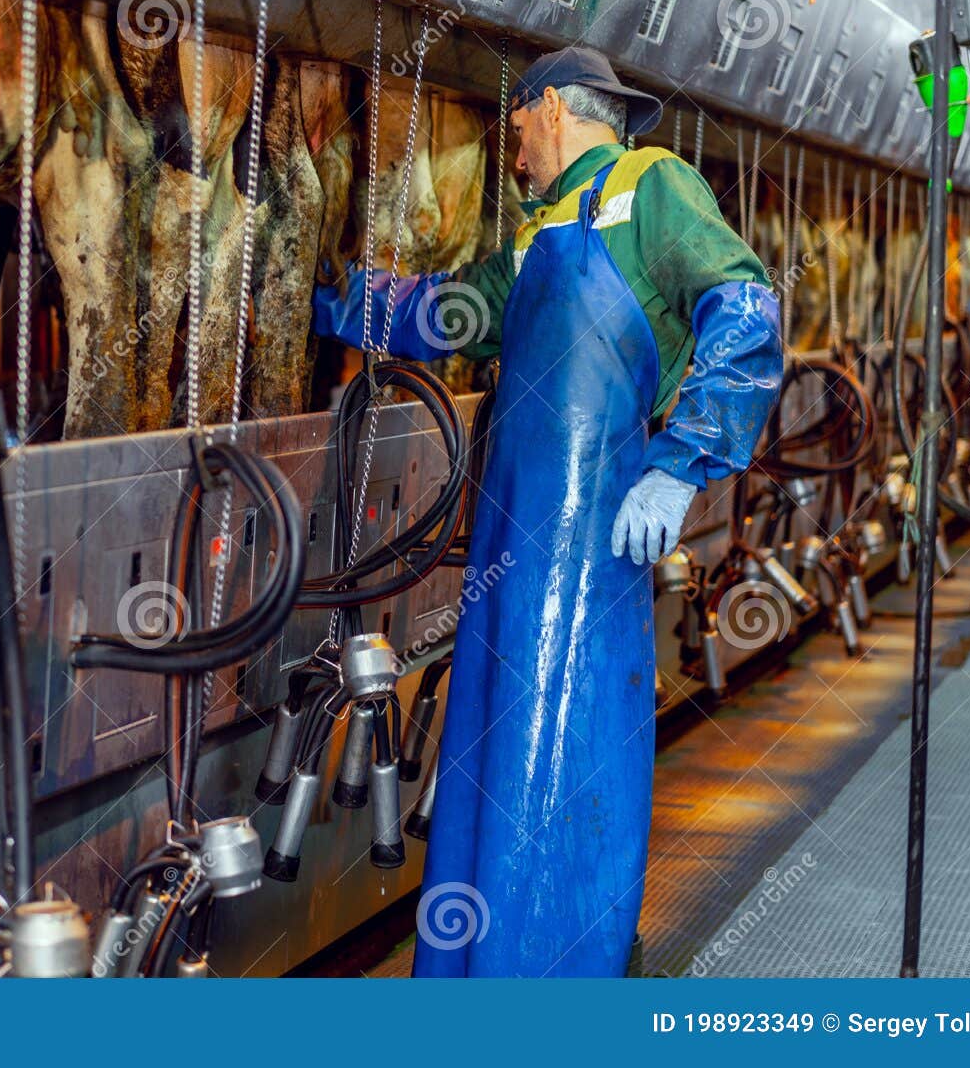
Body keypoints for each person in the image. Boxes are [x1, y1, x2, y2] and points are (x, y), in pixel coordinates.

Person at [312, 47, 782, 976]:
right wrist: (329, 298)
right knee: (493, 758)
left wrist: (680, 464)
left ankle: (564, 977)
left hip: (596, 538)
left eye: (518, 124)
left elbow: (747, 311)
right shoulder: (538, 235)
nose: (514, 147)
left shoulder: (651, 188)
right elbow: (446, 313)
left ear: (554, 109)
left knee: (571, 754)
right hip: (512, 547)